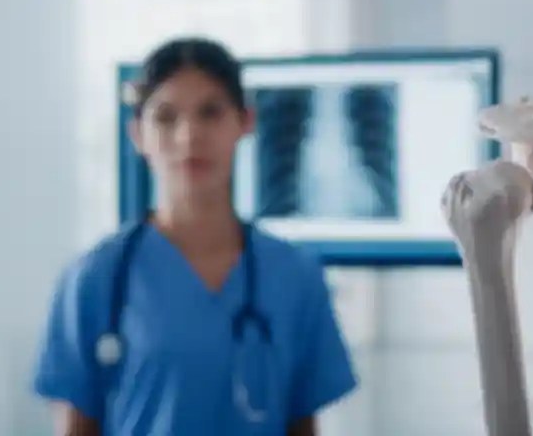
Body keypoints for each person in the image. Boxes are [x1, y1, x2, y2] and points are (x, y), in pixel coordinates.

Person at [33, 37, 358, 435]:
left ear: (245, 122)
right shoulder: (96, 278)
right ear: (137, 134)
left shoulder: (294, 275)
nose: (189, 136)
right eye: (166, 117)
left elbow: (303, 426)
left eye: (210, 113)